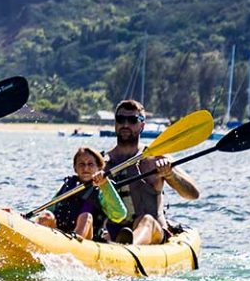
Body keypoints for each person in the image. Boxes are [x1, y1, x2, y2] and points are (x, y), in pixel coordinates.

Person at [104, 98, 199, 245]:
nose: (125, 124)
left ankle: (131, 247)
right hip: (112, 232)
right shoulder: (102, 163)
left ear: (142, 125)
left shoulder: (156, 159)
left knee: (146, 220)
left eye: (132, 120)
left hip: (154, 233)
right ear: (115, 123)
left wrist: (170, 175)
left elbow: (193, 194)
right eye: (120, 119)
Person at [34, 146, 128, 240]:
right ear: (75, 168)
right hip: (61, 235)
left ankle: (73, 244)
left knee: (86, 217)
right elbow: (49, 210)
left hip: (88, 240)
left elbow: (120, 215)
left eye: (90, 164)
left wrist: (105, 184)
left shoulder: (103, 189)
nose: (85, 168)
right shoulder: (69, 185)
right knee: (46, 216)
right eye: (81, 164)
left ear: (99, 168)